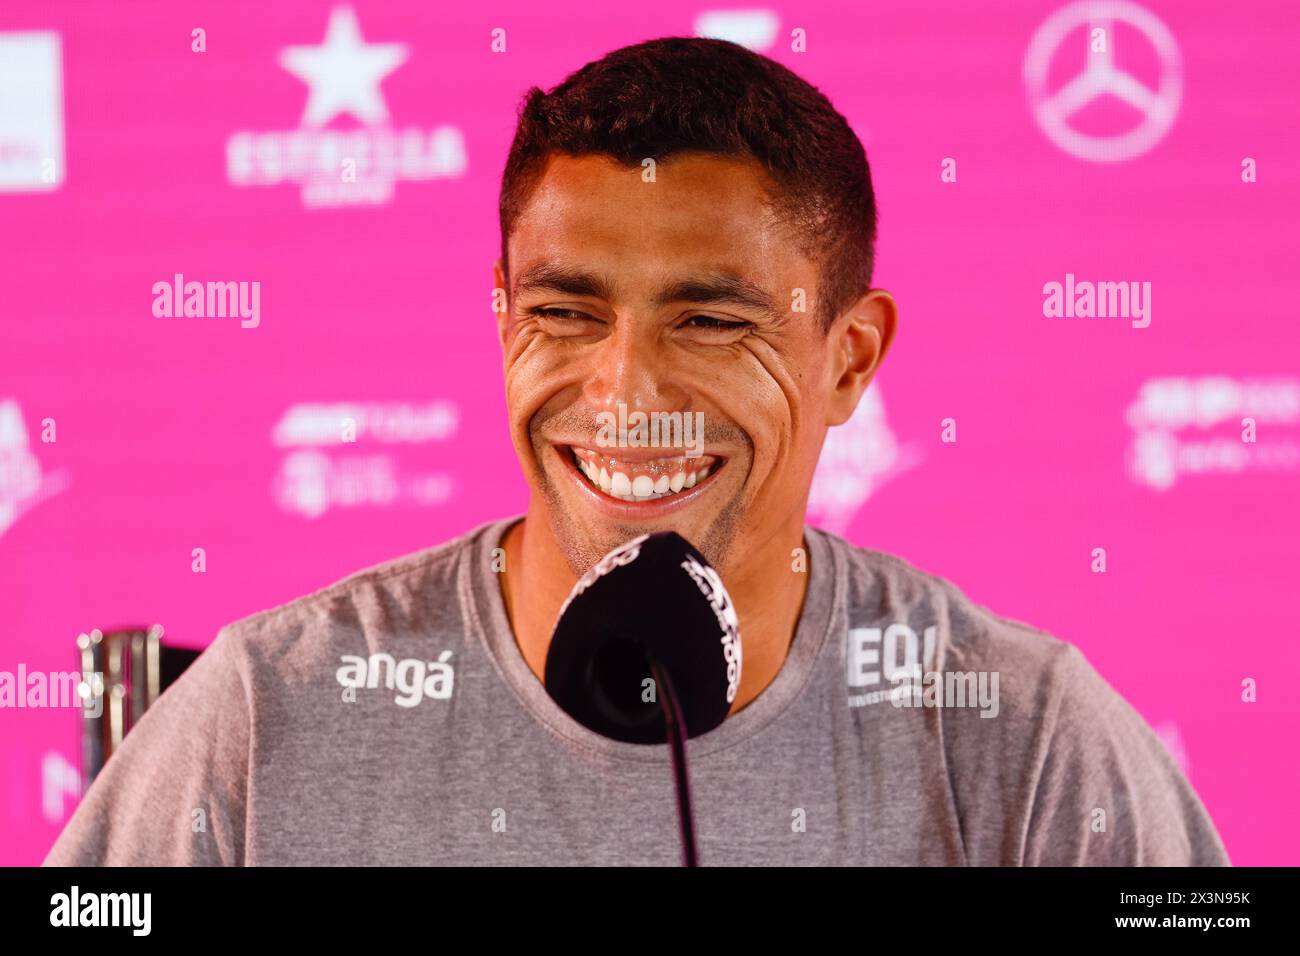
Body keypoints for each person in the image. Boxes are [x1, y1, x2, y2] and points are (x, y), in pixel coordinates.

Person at [45, 36, 1228, 866]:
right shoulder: (266, 711)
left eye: (710, 321)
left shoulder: (1021, 738)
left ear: (850, 359)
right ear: (503, 317)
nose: (625, 393)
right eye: (563, 312)